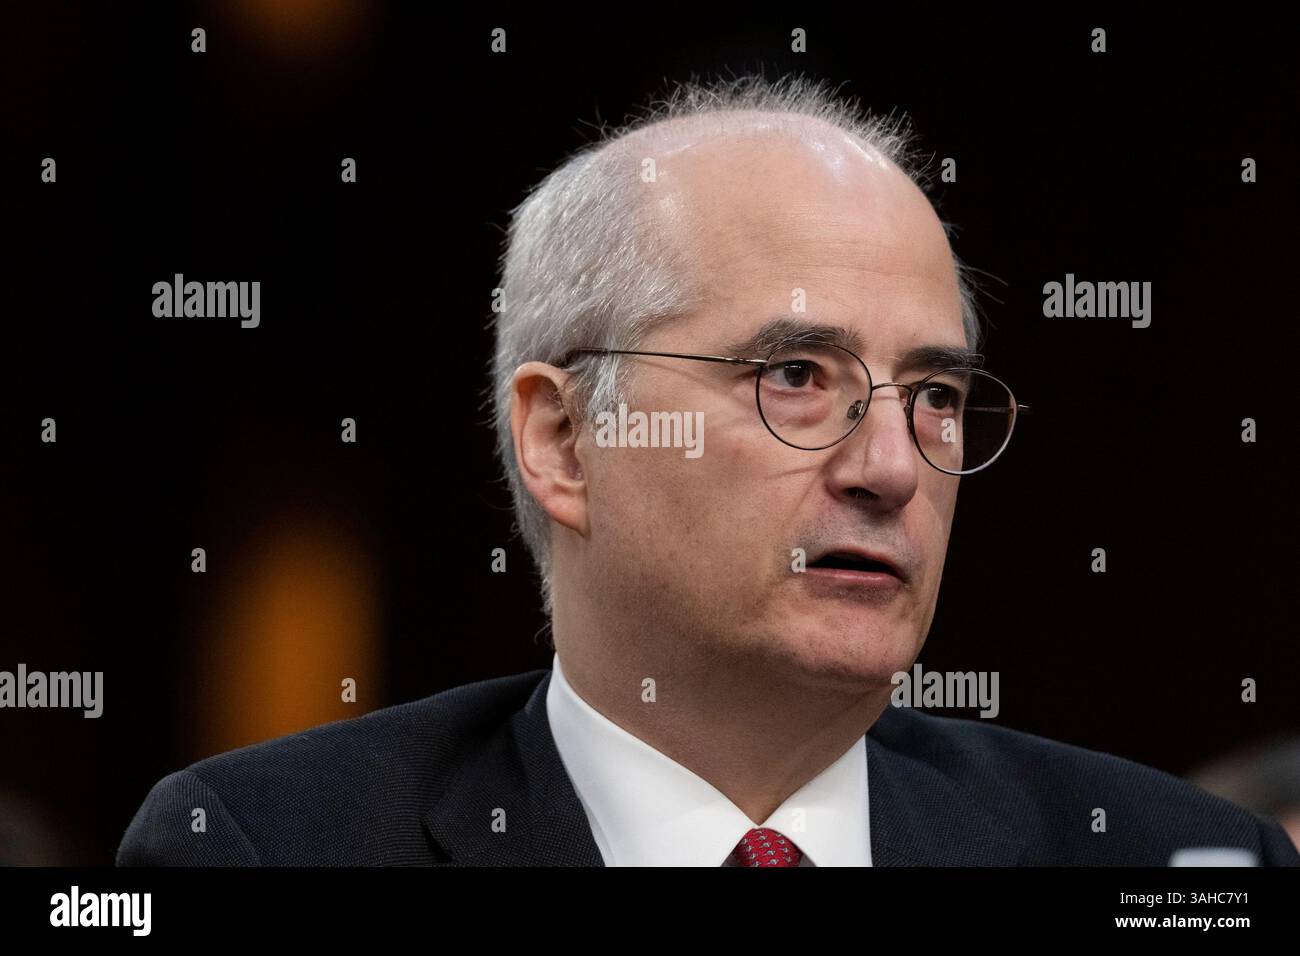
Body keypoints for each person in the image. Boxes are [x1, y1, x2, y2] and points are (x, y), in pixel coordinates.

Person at [118, 74, 1299, 866]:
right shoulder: (272, 842)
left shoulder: (1167, 856)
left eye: (933, 394)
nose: (890, 465)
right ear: (564, 441)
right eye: (793, 373)